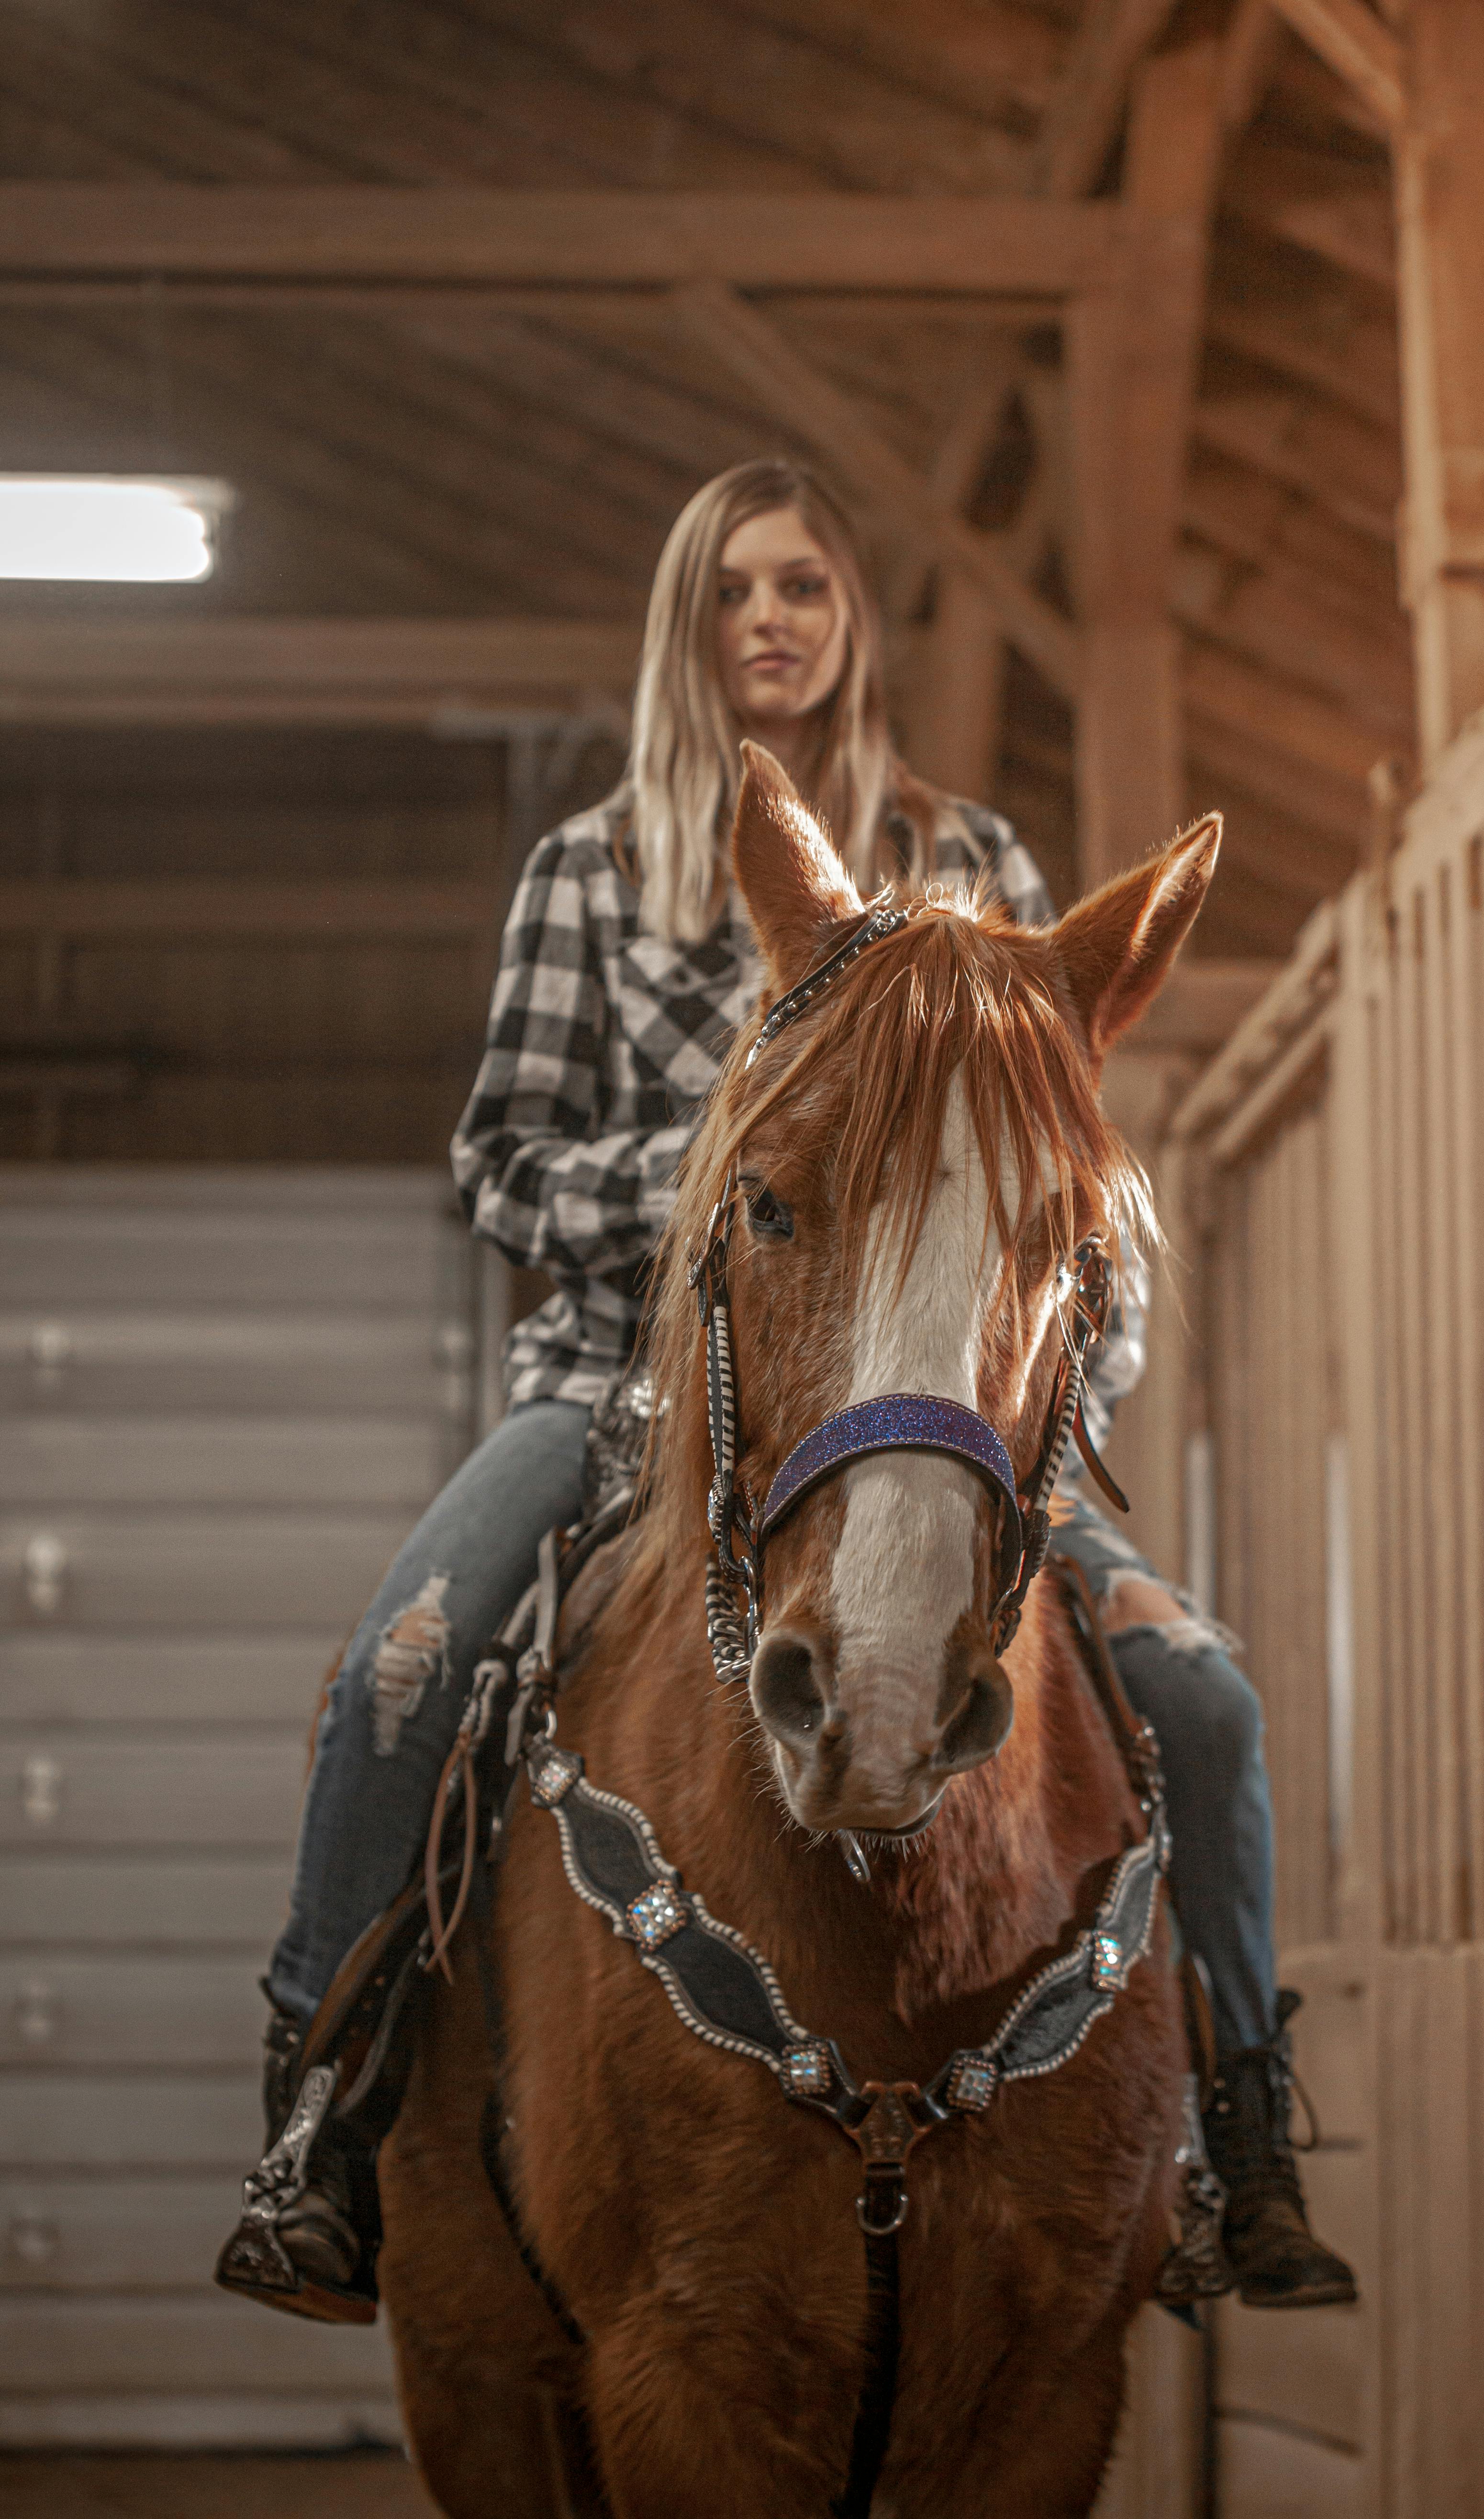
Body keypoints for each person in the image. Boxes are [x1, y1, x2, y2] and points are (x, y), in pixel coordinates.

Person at [217, 458, 1354, 2325]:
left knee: (1207, 1702)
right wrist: (731, 1174)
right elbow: (501, 1165)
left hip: (931, 1425)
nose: (770, 618)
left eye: (806, 585)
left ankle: (1242, 2140)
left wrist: (1057, 1406)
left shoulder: (980, 868)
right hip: (610, 1393)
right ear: (691, 622)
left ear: (851, 623)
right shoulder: (589, 873)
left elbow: (1079, 1204)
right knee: (402, 1661)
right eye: (734, 588)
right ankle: (316, 2122)